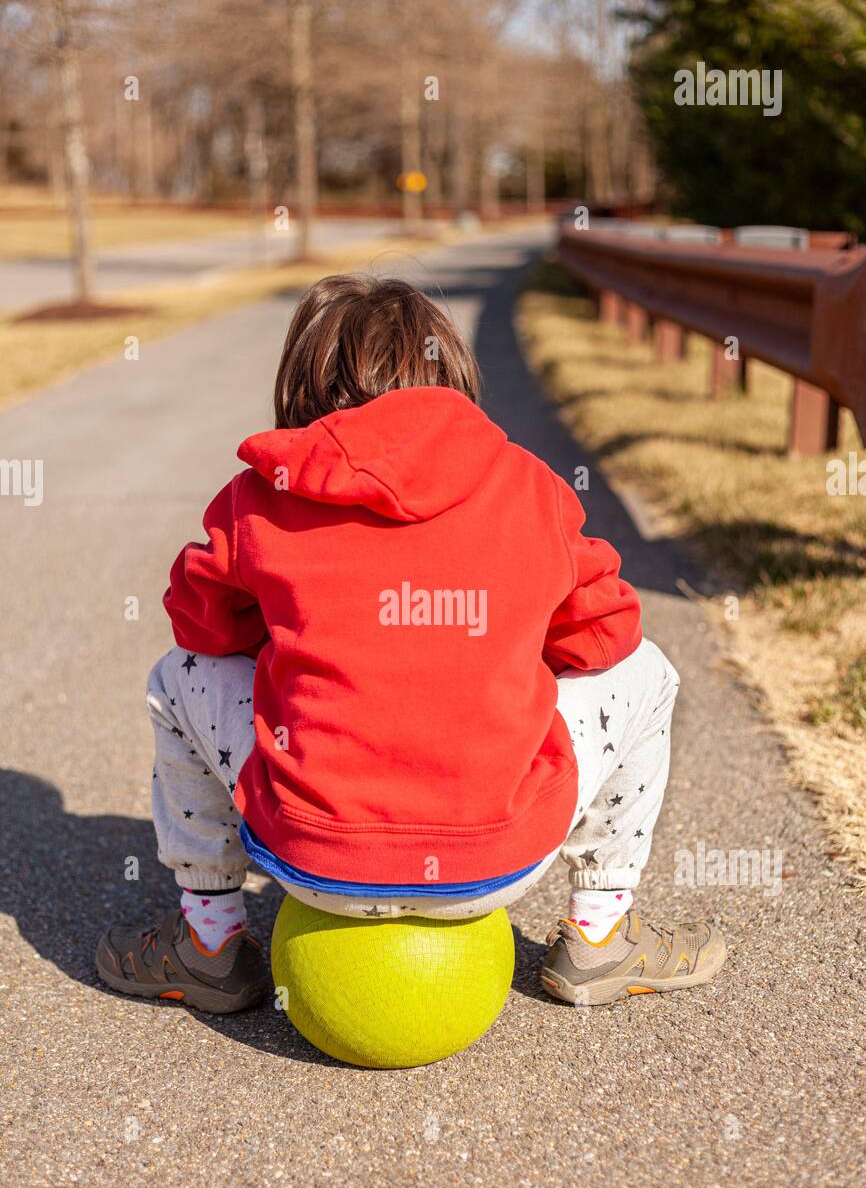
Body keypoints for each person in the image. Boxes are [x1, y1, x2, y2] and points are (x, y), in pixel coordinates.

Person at [96, 274, 725, 1014]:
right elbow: (607, 633)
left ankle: (210, 942)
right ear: (451, 374)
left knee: (179, 677)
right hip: (500, 859)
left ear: (304, 384)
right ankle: (599, 935)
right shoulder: (529, 485)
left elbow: (201, 627)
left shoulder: (261, 497)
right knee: (648, 671)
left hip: (312, 862)